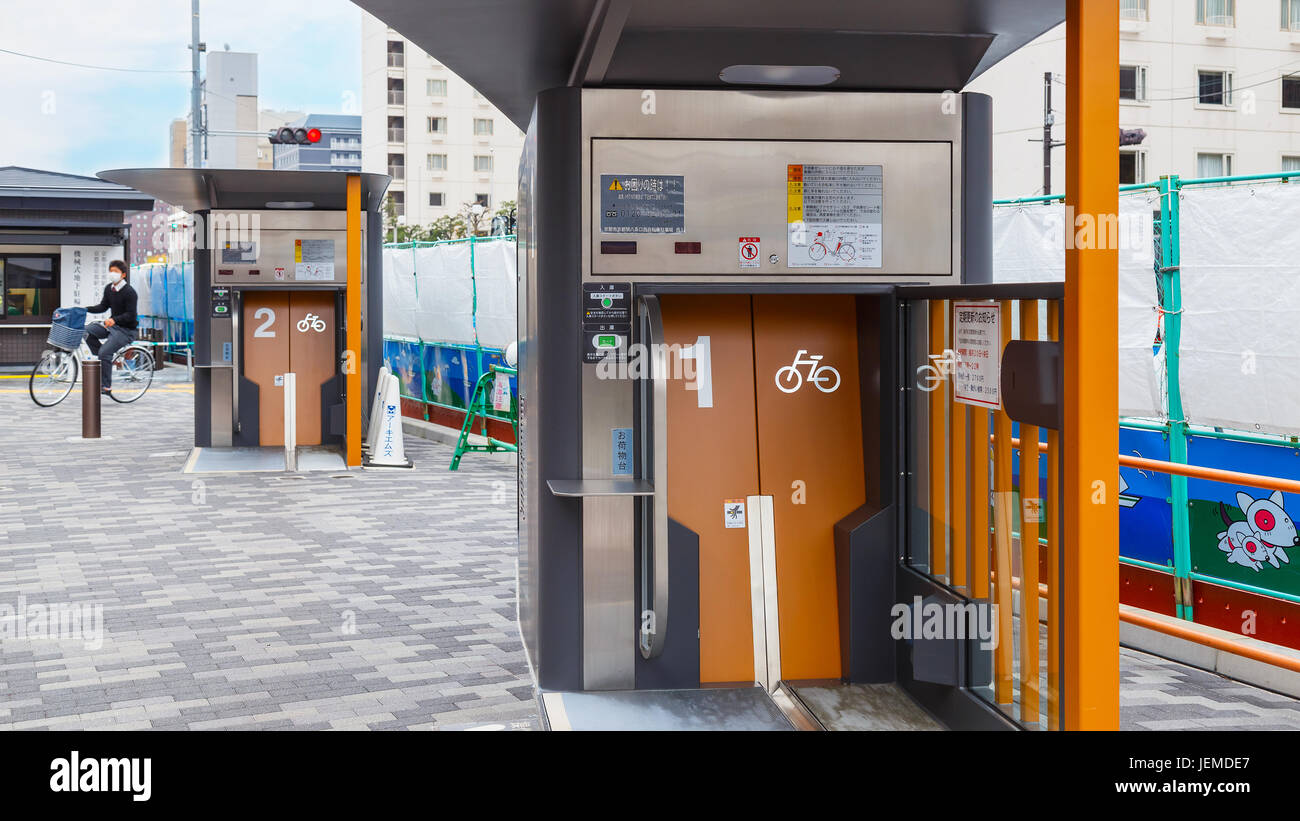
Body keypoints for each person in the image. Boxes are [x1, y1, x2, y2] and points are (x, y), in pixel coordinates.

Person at [83, 260, 139, 394]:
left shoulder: (130, 292)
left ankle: (106, 386)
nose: (112, 274)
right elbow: (103, 306)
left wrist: (114, 319)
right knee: (86, 331)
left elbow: (131, 315)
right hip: (112, 327)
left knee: (104, 352)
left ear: (123, 275)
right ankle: (105, 359)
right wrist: (85, 309)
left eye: (116, 272)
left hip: (126, 331)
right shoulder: (109, 288)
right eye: (111, 271)